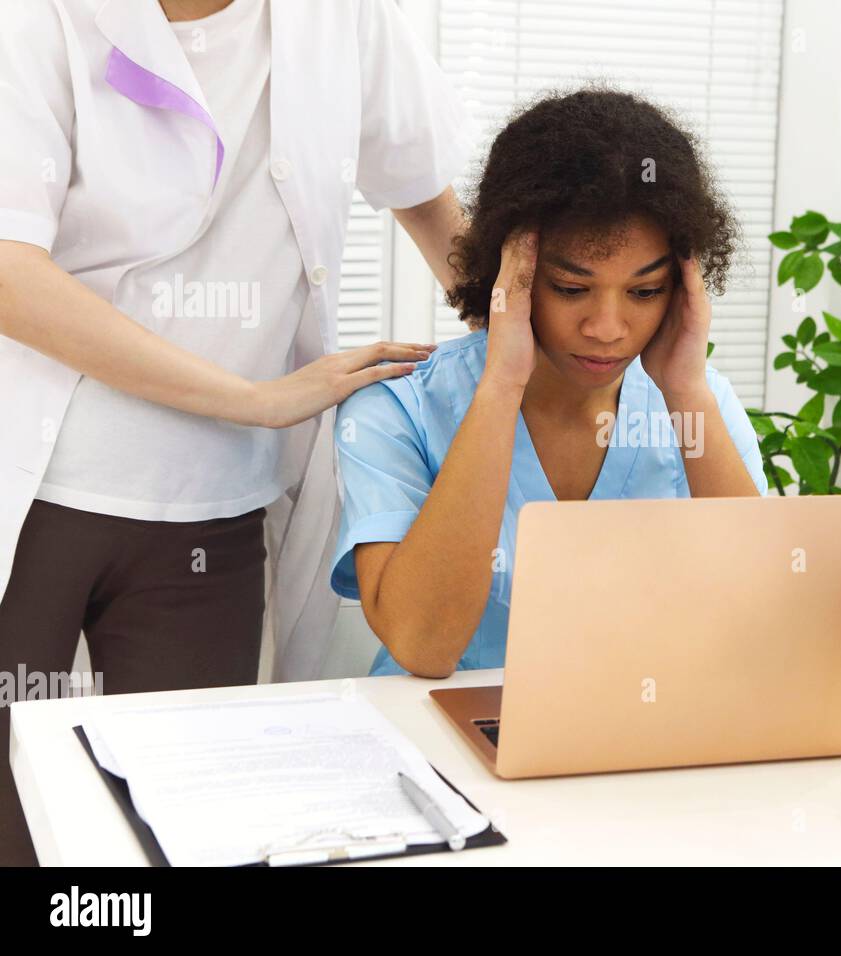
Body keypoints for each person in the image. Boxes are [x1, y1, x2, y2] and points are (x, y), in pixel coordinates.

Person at [0, 0, 478, 865]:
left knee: (185, 820)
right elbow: (7, 270)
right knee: (17, 820)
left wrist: (536, 341)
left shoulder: (344, 19)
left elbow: (429, 198)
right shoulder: (36, 20)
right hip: (37, 490)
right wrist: (254, 399)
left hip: (212, 511)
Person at [330, 88, 767, 679]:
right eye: (570, 288)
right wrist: (501, 385)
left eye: (644, 292)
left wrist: (686, 392)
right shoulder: (396, 408)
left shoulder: (697, 403)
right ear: (510, 271)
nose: (608, 329)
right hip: (442, 745)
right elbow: (424, 645)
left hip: (641, 741)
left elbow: (762, 623)